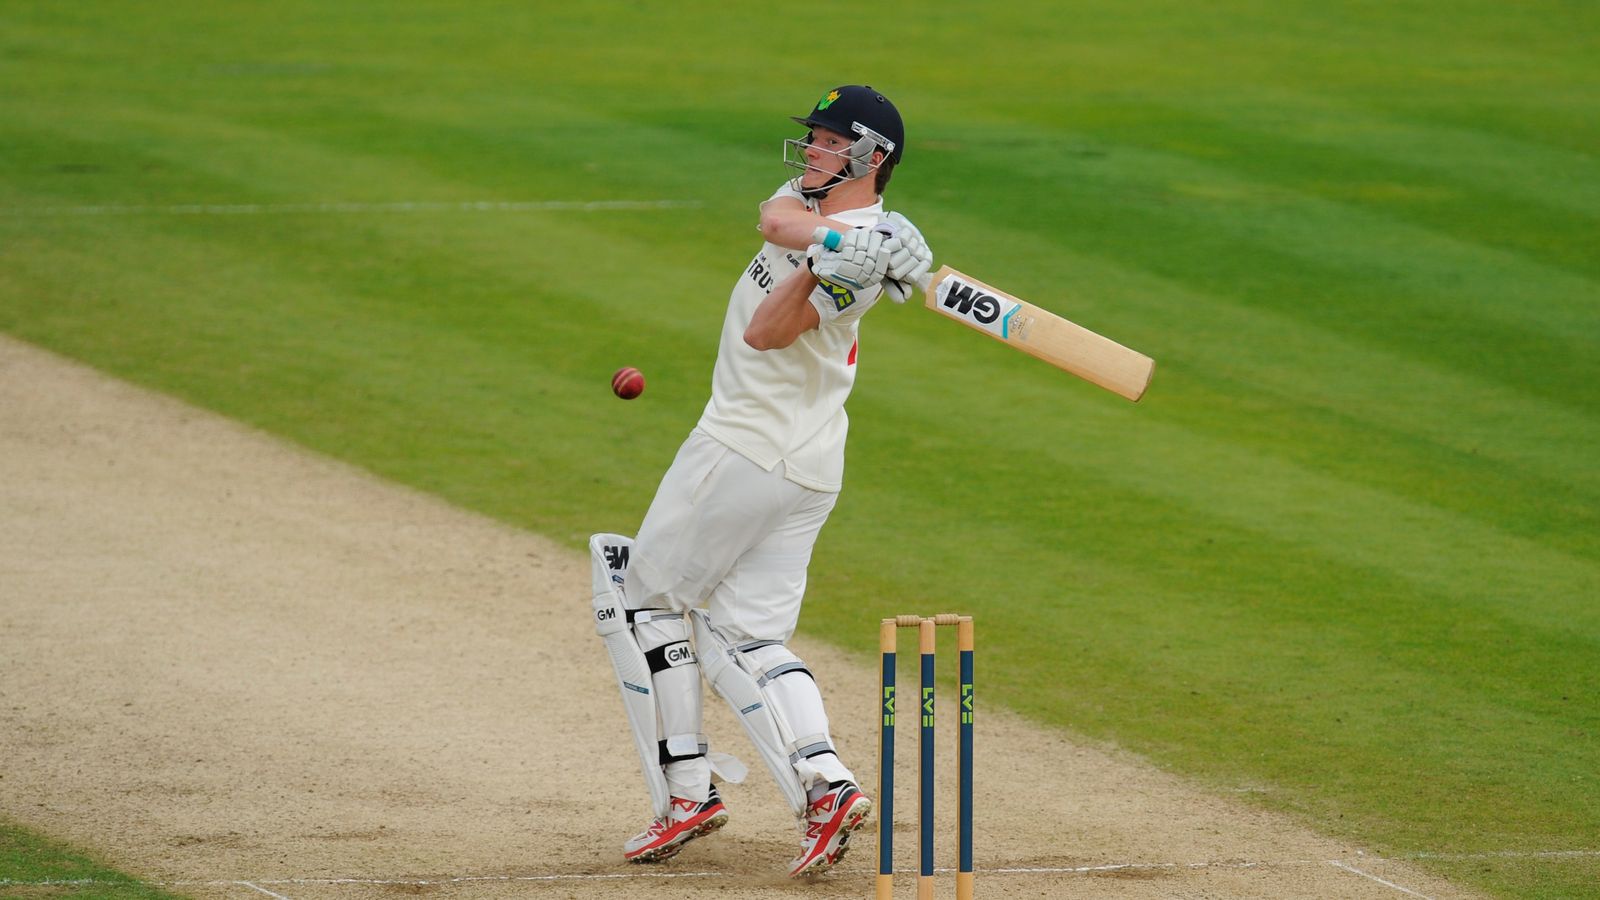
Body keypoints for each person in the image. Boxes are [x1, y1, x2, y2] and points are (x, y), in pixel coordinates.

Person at [587, 84, 933, 878]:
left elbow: (766, 330)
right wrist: (837, 243)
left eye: (824, 140)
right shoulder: (816, 210)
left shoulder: (869, 261)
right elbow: (775, 221)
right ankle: (828, 784)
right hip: (809, 464)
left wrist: (834, 265)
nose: (809, 151)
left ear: (869, 156)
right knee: (750, 634)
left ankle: (687, 793)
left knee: (644, 602)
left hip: (743, 448)